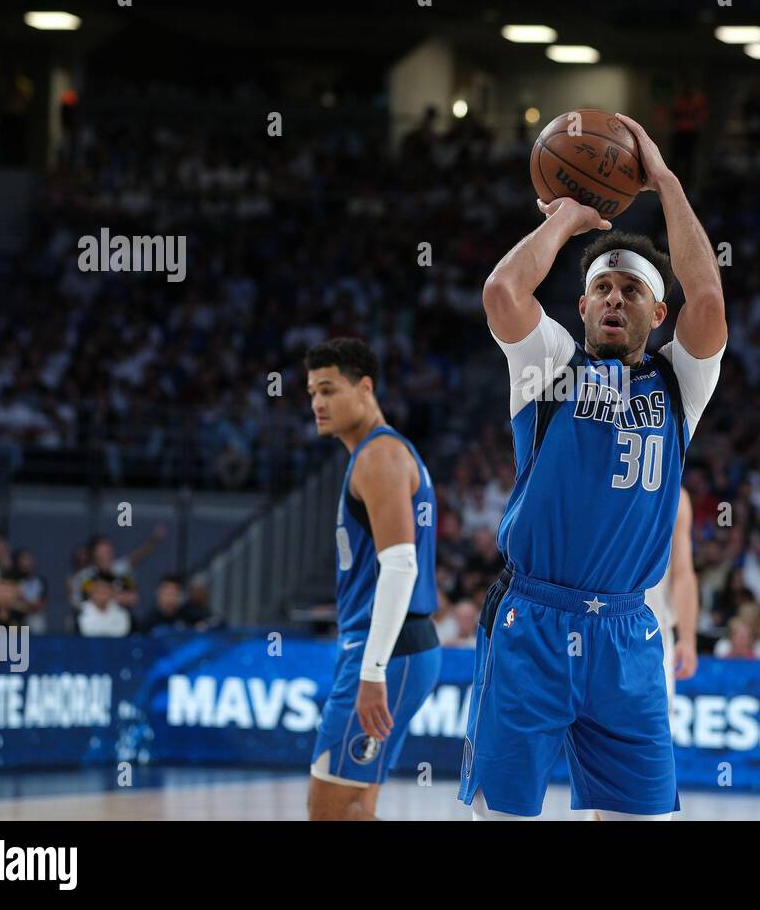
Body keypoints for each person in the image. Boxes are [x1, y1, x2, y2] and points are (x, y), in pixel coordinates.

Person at [459, 112, 726, 820]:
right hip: (532, 623)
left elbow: (710, 299)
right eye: (602, 288)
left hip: (630, 635)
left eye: (631, 290)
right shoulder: (548, 365)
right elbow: (501, 295)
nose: (614, 297)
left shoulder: (679, 385)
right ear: (580, 307)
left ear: (657, 313)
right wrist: (568, 219)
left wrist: (664, 178)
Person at [305, 337, 442, 821]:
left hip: (389, 650)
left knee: (330, 810)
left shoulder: (378, 455)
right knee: (355, 806)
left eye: (328, 389)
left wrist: (372, 671)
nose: (318, 403)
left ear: (365, 388)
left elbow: (401, 566)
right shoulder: (380, 453)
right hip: (398, 648)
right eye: (312, 394)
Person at [644, 486, 701, 717]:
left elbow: (683, 573)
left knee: (655, 728)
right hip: (599, 621)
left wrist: (687, 638)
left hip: (655, 631)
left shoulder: (676, 496)